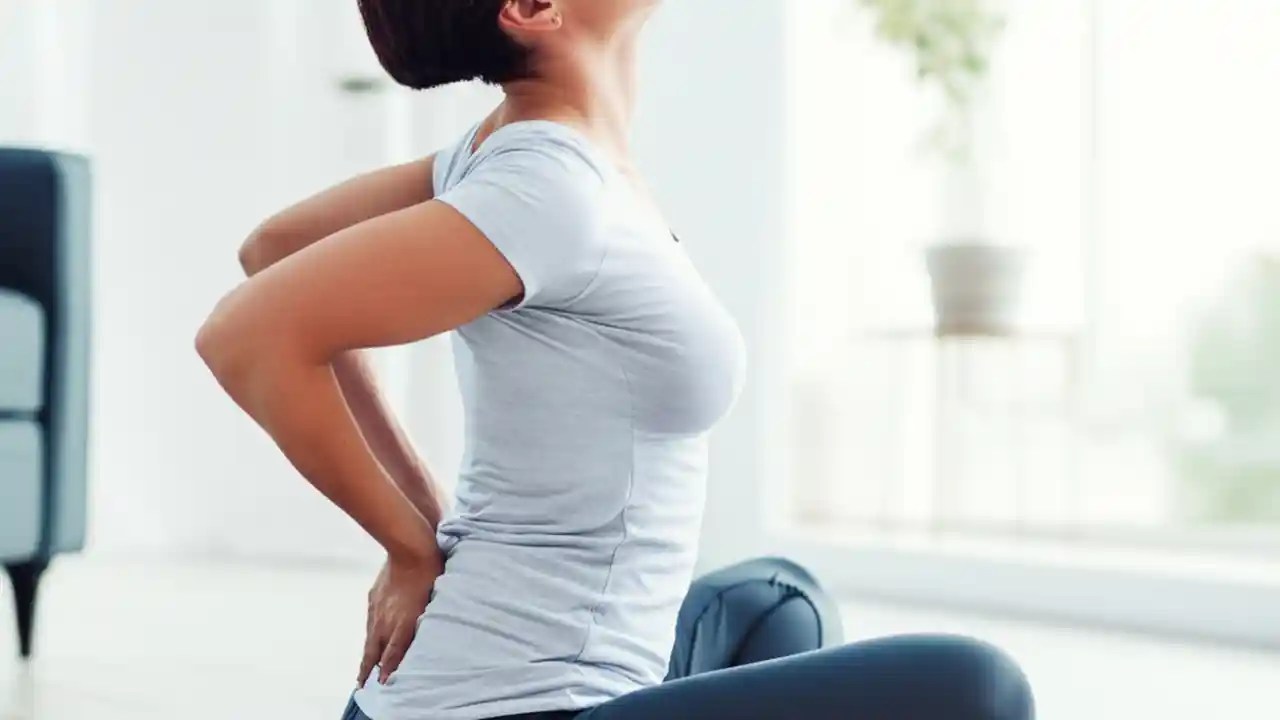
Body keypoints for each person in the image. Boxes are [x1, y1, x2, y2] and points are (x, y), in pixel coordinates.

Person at [195, 1, 1035, 719]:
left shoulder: (517, 156)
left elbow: (275, 248)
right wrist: (412, 544)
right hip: (515, 705)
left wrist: (428, 515)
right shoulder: (547, 191)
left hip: (556, 682)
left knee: (778, 598)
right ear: (532, 8)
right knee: (979, 687)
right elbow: (248, 332)